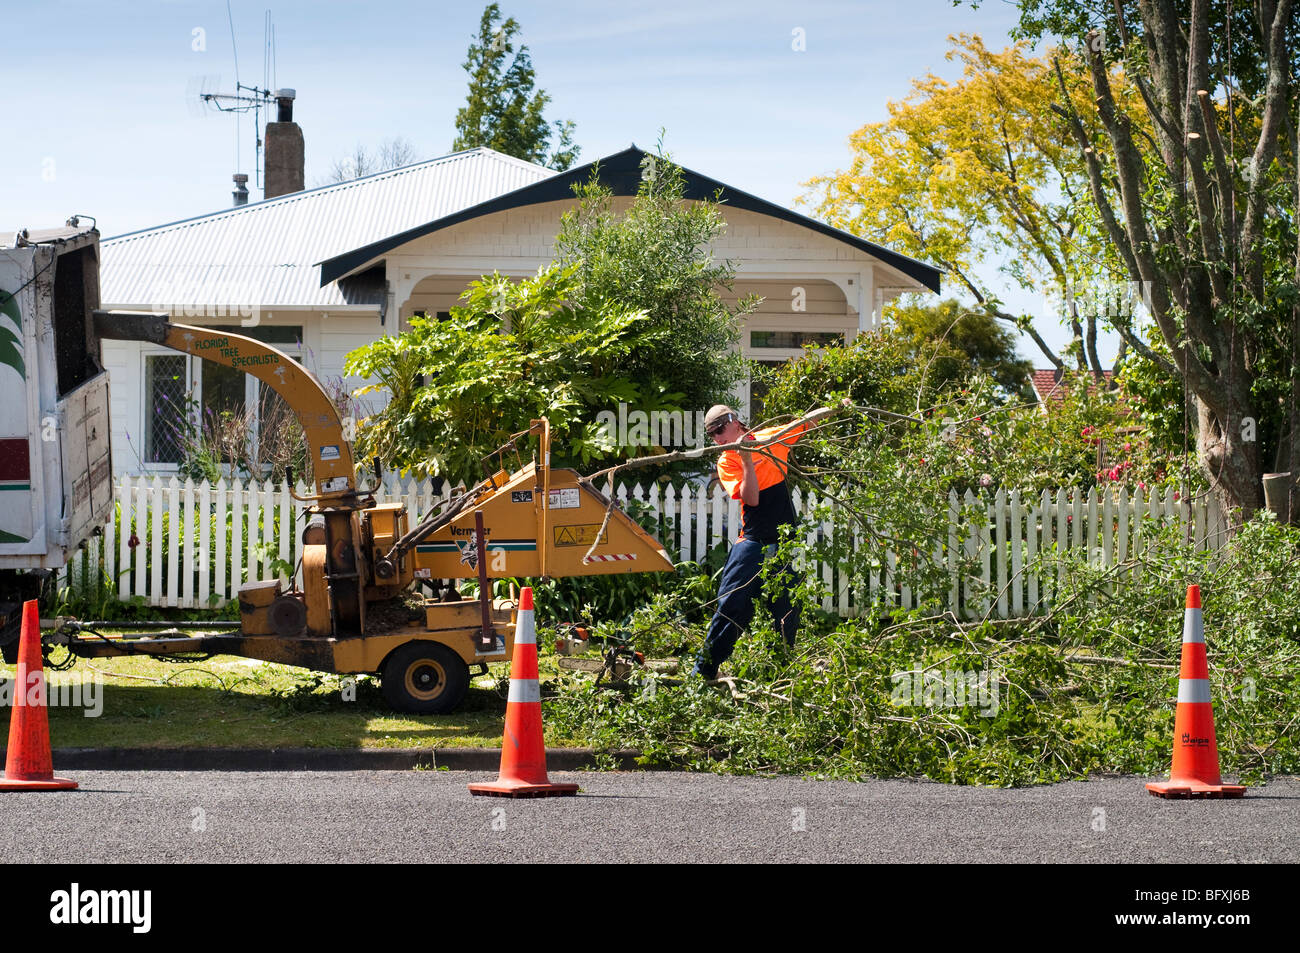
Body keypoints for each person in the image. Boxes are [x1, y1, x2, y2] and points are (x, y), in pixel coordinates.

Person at [692, 402, 825, 680]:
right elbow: (751, 498)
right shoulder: (727, 460)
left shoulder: (772, 438)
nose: (718, 438)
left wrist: (837, 407)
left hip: (786, 540)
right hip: (753, 541)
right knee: (732, 604)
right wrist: (746, 459)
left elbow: (807, 421)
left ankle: (780, 673)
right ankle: (703, 673)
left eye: (720, 430)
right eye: (712, 435)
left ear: (735, 422)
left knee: (787, 608)